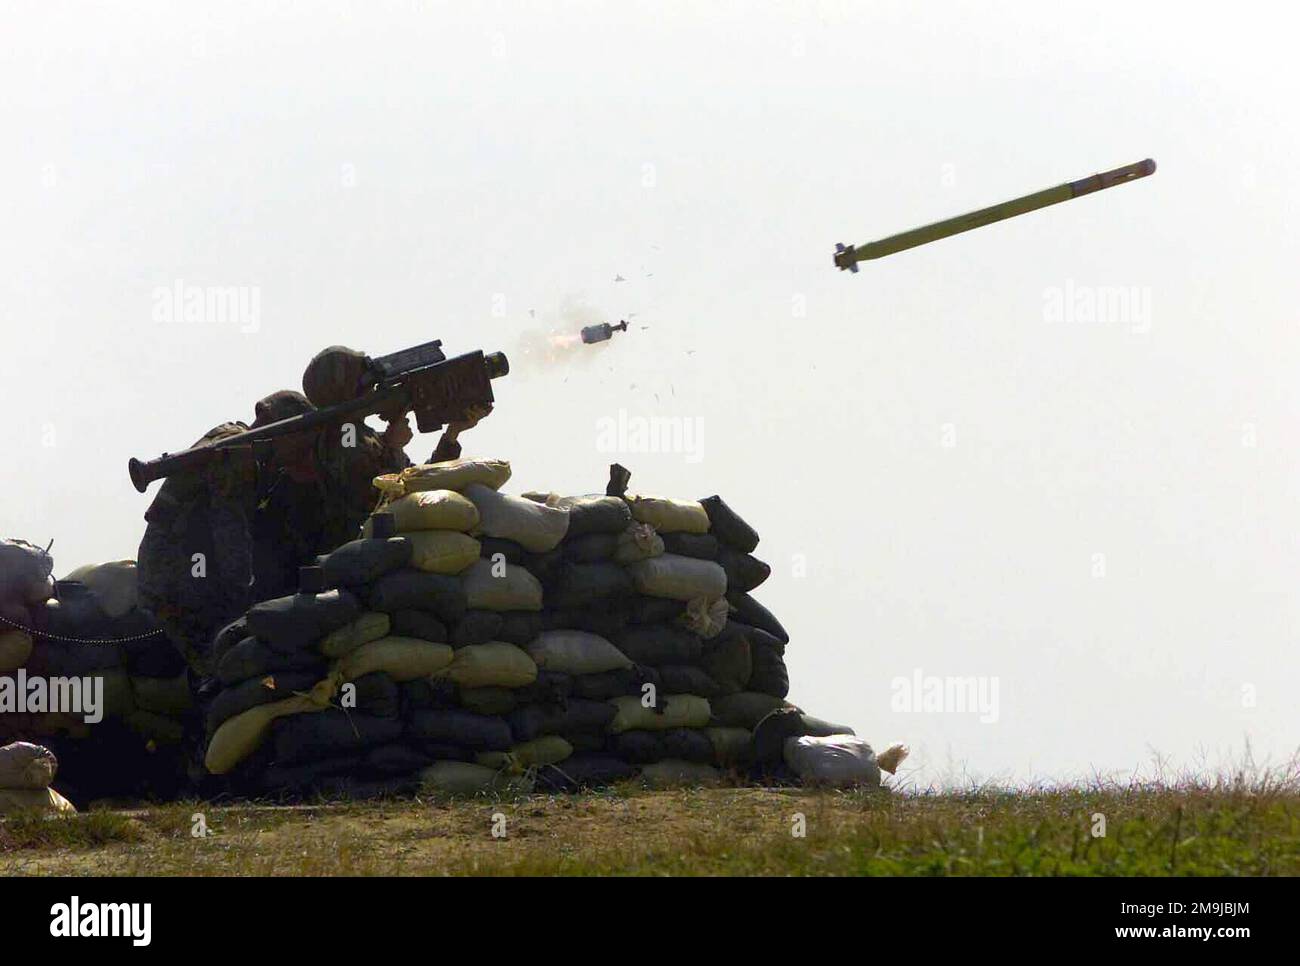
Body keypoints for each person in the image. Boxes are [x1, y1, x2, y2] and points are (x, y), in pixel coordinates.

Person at [136, 391, 320, 675]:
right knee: (225, 663)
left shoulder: (235, 444)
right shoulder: (239, 452)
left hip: (175, 567)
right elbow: (230, 533)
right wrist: (245, 603)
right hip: (177, 576)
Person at [301, 345, 491, 547]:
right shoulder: (342, 437)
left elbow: (420, 482)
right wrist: (392, 446)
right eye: (363, 378)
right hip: (361, 547)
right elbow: (378, 500)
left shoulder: (364, 435)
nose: (371, 385)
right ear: (345, 389)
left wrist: (452, 434)